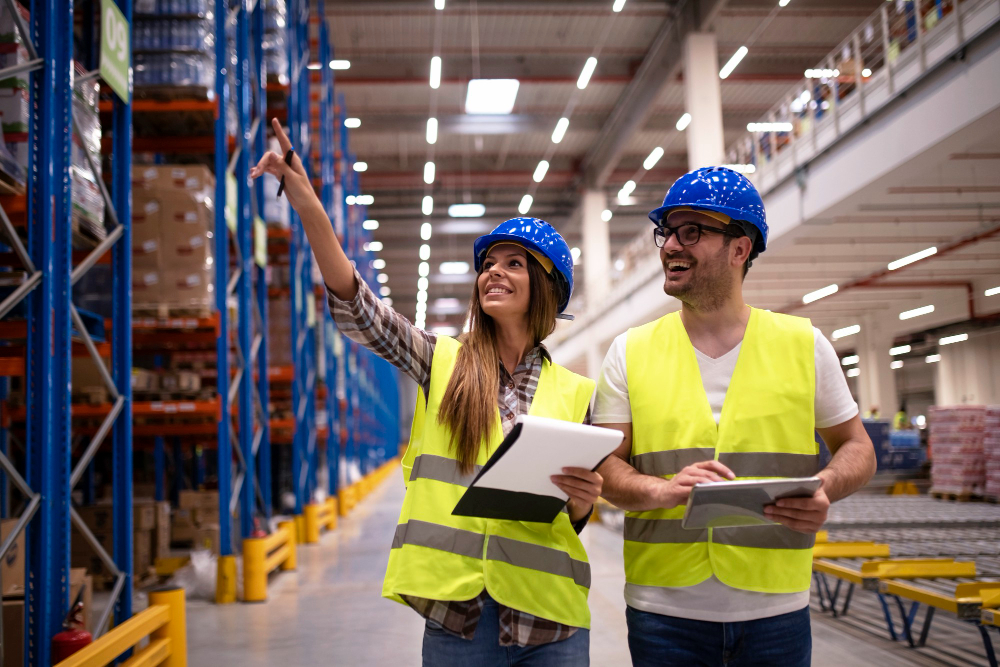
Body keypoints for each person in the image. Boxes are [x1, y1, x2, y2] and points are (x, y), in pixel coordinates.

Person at [251, 119, 602, 666]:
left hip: (549, 617)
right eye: (488, 264)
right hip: (459, 616)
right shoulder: (441, 360)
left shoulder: (580, 392)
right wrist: (308, 207)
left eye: (514, 263)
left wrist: (583, 503)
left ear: (549, 289)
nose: (493, 272)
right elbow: (359, 307)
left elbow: (571, 512)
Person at [593, 166, 877, 666]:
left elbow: (858, 447)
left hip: (776, 609)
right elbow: (606, 468)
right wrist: (659, 490)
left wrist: (826, 486)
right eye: (669, 232)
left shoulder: (804, 345)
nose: (671, 246)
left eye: (692, 232)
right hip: (664, 611)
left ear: (740, 248)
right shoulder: (629, 351)